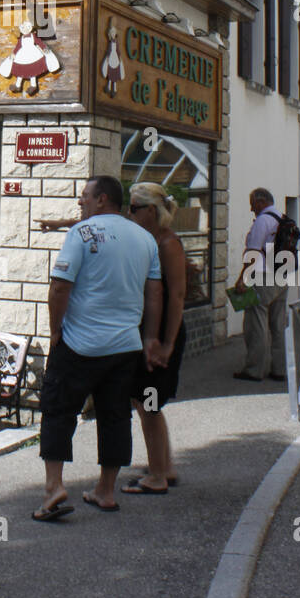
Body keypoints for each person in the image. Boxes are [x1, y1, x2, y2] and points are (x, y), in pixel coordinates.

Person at [33, 176, 162, 521]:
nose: (80, 203)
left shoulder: (81, 233)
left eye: (84, 197)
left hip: (79, 342)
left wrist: (55, 329)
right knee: (115, 415)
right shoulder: (145, 239)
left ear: (102, 199)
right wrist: (149, 337)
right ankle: (106, 490)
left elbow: (60, 287)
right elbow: (154, 293)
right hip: (124, 346)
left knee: (58, 410)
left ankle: (53, 487)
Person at [122, 182, 187, 495]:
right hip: (149, 330)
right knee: (147, 400)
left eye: (134, 207)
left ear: (151, 210)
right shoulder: (148, 239)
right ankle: (165, 467)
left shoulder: (167, 243)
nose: (129, 213)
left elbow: (176, 296)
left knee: (147, 401)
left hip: (161, 332)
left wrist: (167, 343)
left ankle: (157, 476)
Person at [232, 186, 286, 382]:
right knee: (278, 325)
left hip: (262, 276)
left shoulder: (262, 221)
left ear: (261, 202)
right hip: (281, 276)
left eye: (252, 204)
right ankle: (279, 369)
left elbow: (253, 252)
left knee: (257, 324)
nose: (251, 209)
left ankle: (254, 370)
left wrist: (243, 279)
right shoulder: (283, 218)